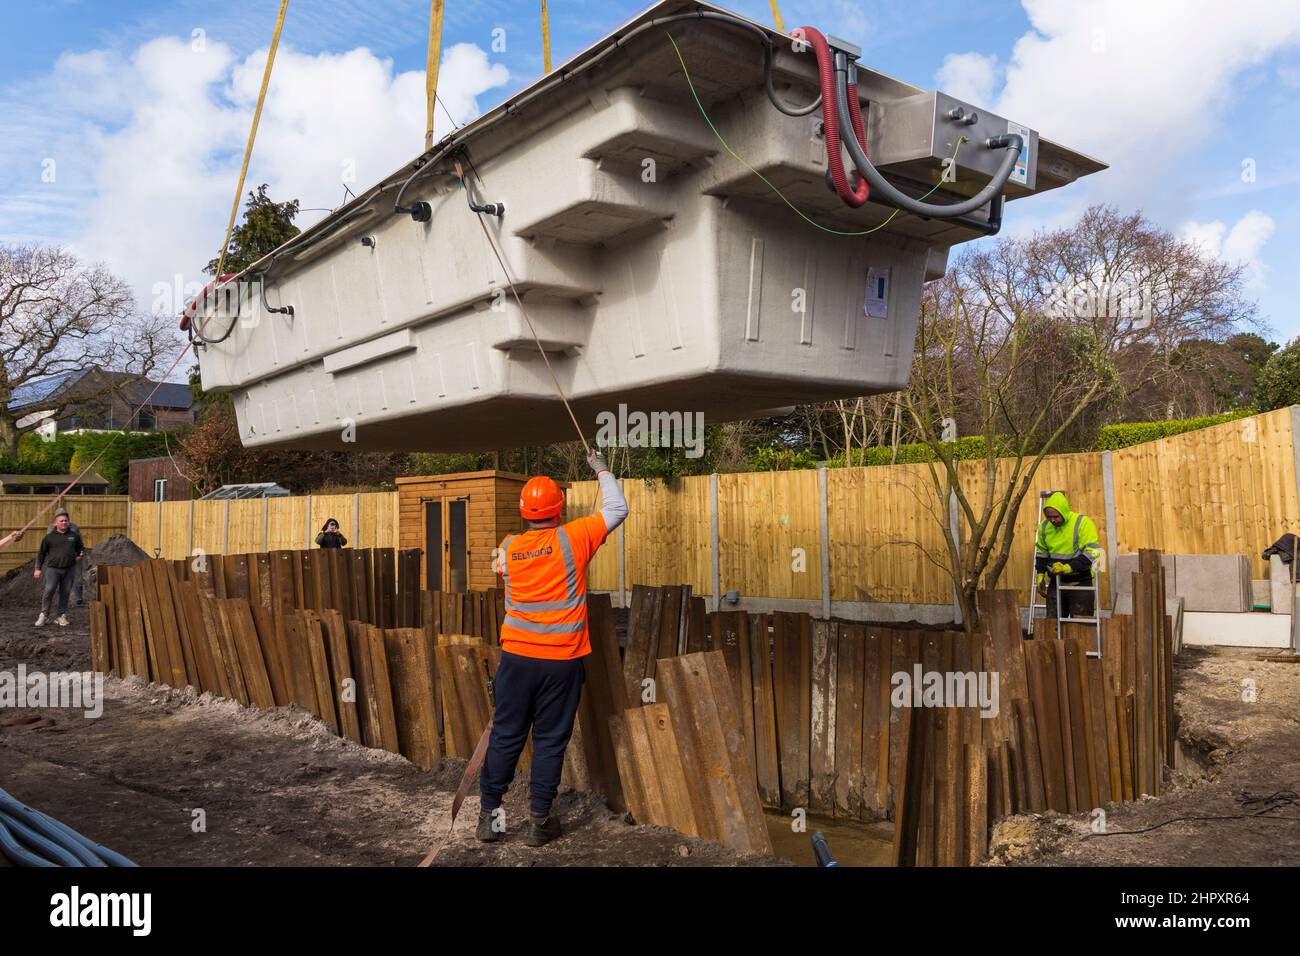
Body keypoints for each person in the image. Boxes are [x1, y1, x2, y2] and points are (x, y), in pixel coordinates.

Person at [477, 448, 628, 847]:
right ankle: (539, 823)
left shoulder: (507, 548)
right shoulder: (574, 537)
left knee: (506, 735)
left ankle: (488, 818)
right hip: (560, 661)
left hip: (516, 659)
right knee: (548, 741)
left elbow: (509, 570)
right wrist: (601, 470)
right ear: (559, 510)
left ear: (523, 511)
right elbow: (617, 509)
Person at [1034, 491, 1101, 619]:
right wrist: (1040, 574)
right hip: (1056, 581)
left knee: (1081, 626)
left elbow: (1092, 553)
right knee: (1053, 625)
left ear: (1064, 512)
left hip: (1080, 582)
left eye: (1056, 516)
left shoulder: (1082, 523)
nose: (1052, 520)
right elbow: (1041, 553)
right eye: (1049, 517)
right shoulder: (1044, 527)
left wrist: (1068, 568)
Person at [34, 509, 85, 627]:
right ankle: (44, 615)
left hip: (69, 569)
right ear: (56, 523)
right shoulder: (49, 538)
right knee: (49, 590)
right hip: (53, 569)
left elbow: (81, 548)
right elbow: (41, 553)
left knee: (65, 592)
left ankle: (61, 616)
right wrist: (38, 568)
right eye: (61, 521)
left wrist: (79, 555)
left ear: (69, 522)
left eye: (66, 521)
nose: (64, 523)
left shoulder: (74, 536)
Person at [47, 509, 86, 606]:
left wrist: (80, 555)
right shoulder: (51, 528)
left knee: (77, 578)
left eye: (65, 517)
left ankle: (79, 598)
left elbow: (80, 544)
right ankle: (59, 599)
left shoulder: (74, 528)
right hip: (59, 559)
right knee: (58, 579)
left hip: (74, 558)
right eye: (60, 517)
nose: (64, 521)